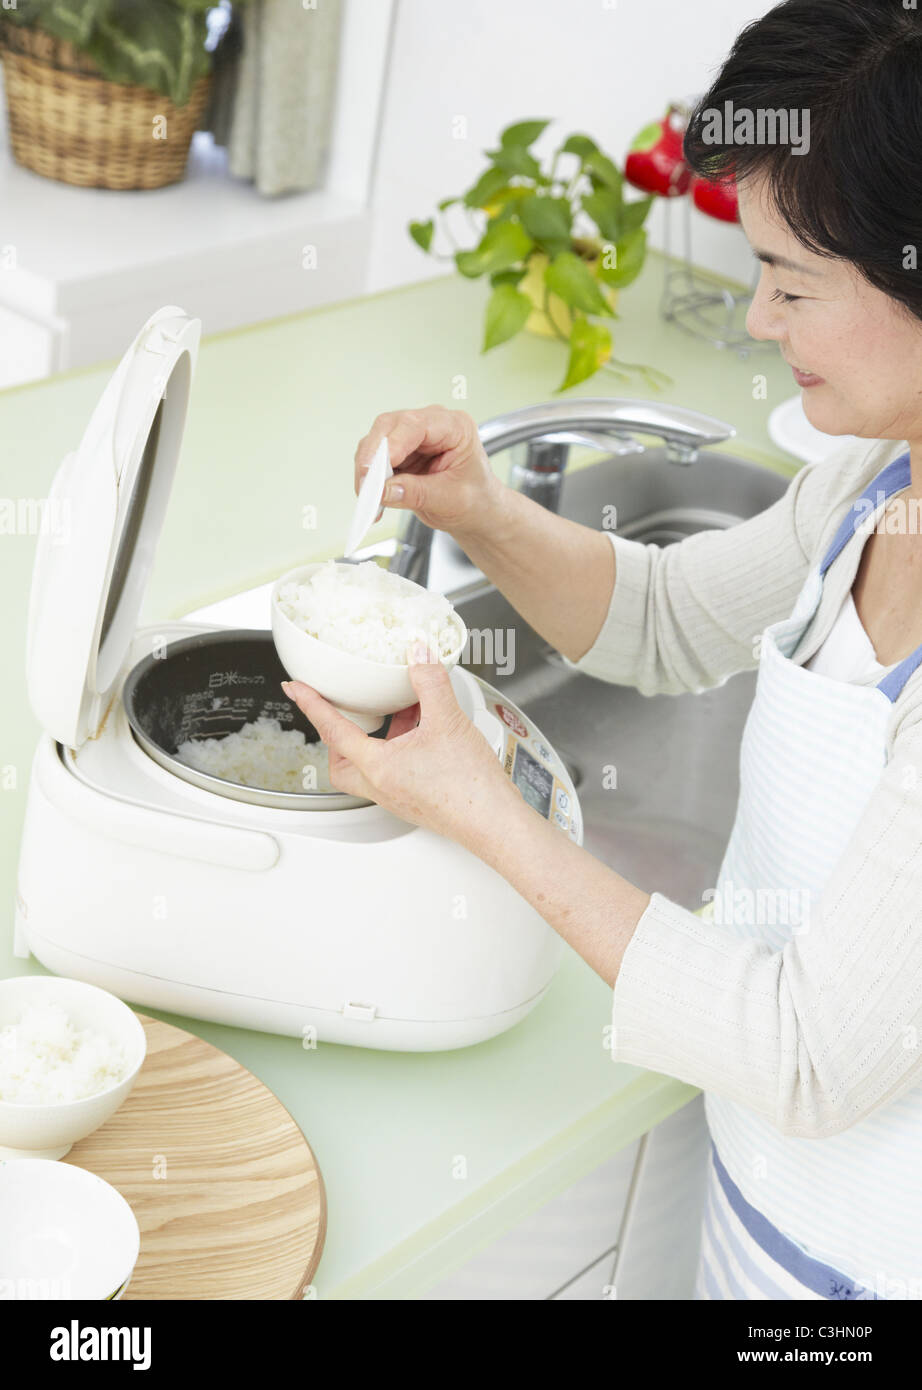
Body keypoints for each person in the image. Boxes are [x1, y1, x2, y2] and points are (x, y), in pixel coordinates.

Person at [283, 0, 922, 1300]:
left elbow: (806, 1051)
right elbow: (669, 619)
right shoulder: (869, 474)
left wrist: (487, 813)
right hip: (766, 1207)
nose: (756, 322)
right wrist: (479, 507)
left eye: (792, 286)